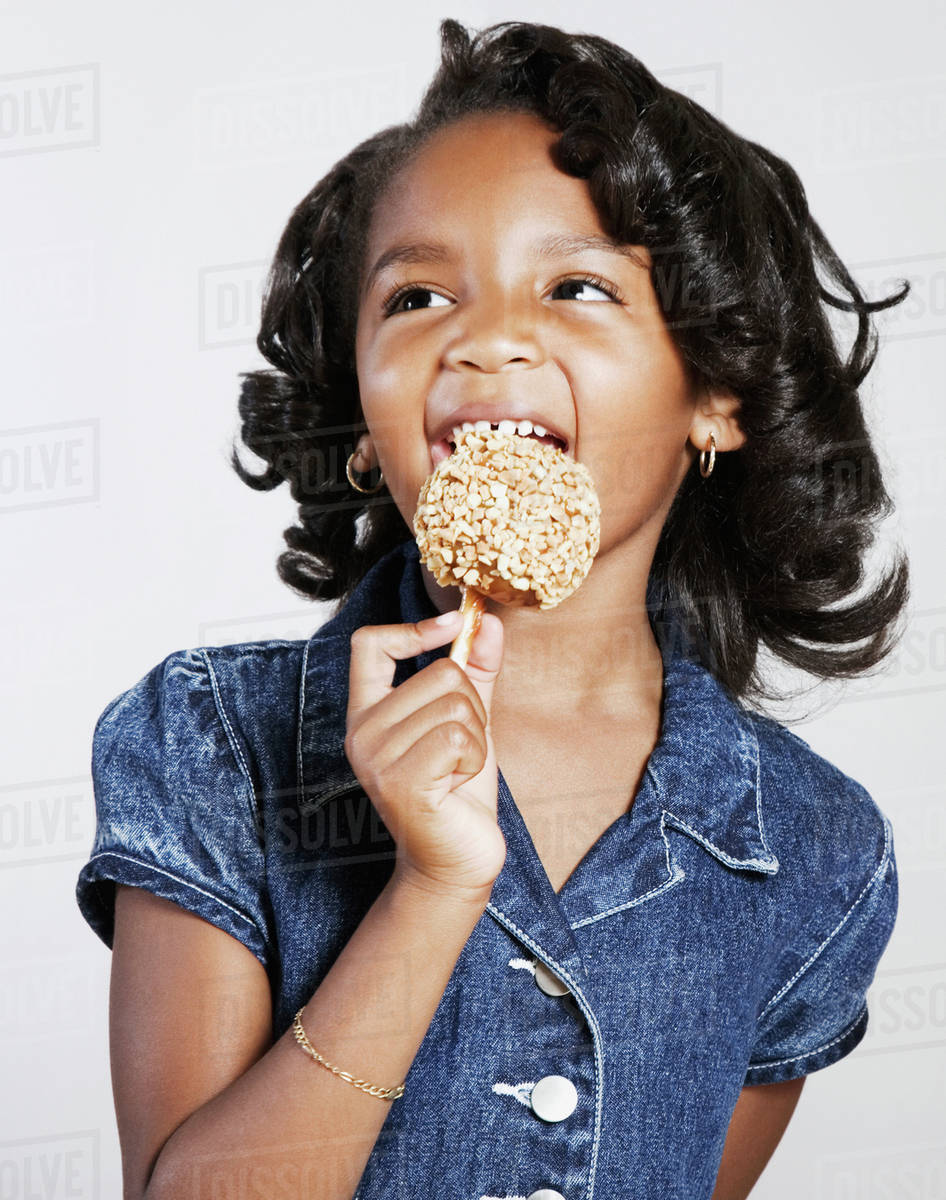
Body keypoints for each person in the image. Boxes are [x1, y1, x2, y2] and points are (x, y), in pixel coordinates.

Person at [75, 18, 909, 1200]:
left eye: (575, 286)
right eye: (416, 297)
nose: (484, 338)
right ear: (364, 421)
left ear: (714, 392)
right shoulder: (216, 745)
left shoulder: (812, 851)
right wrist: (430, 888)